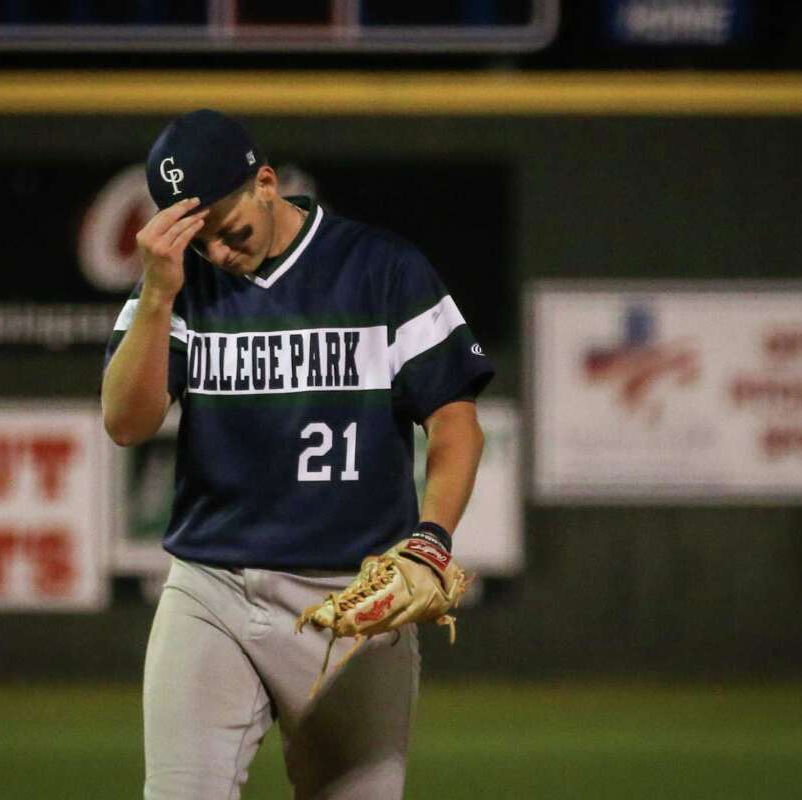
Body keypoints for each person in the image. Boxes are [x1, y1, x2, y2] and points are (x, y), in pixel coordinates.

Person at [102, 109, 494, 800]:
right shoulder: (178, 284)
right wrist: (160, 294)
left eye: (232, 231)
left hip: (354, 601)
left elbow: (456, 421)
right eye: (203, 240)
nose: (219, 253)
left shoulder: (382, 269)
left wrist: (431, 541)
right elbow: (126, 422)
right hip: (213, 588)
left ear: (266, 182)